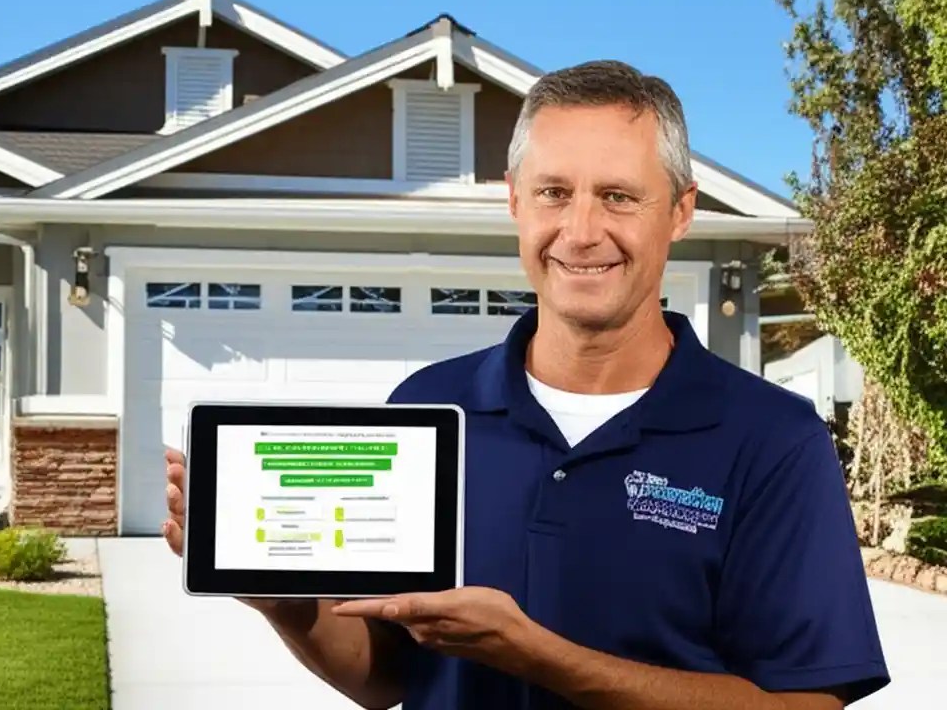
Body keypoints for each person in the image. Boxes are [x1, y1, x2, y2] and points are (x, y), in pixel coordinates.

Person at [161, 59, 890, 709]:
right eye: (553, 192)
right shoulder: (427, 408)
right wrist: (283, 607)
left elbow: (806, 704)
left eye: (618, 196)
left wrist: (542, 658)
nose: (580, 230)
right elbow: (386, 676)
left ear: (680, 211)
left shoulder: (773, 441)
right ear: (515, 201)